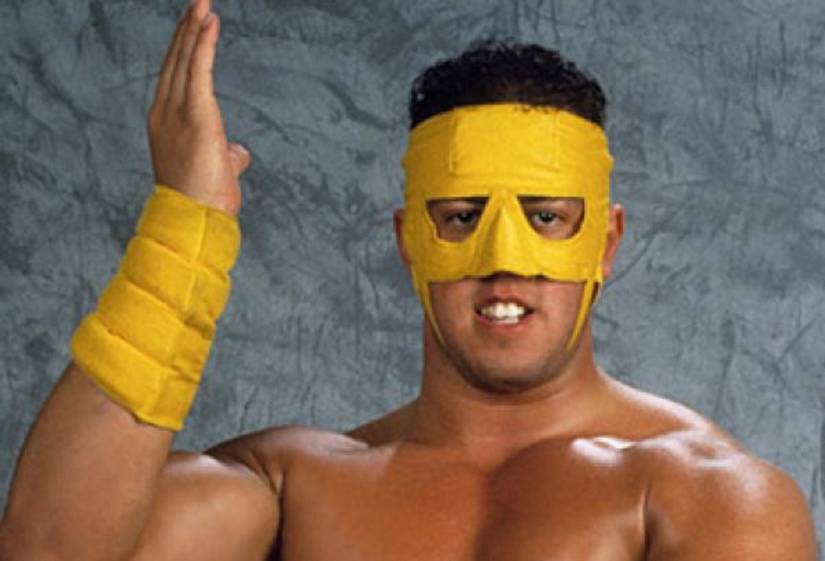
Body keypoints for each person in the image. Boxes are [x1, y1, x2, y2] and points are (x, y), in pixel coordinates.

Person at [0, 1, 817, 560]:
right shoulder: (294, 484)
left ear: (604, 242)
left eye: (545, 217)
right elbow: (49, 550)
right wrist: (187, 224)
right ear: (408, 241)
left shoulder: (704, 492)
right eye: (460, 216)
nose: (503, 257)